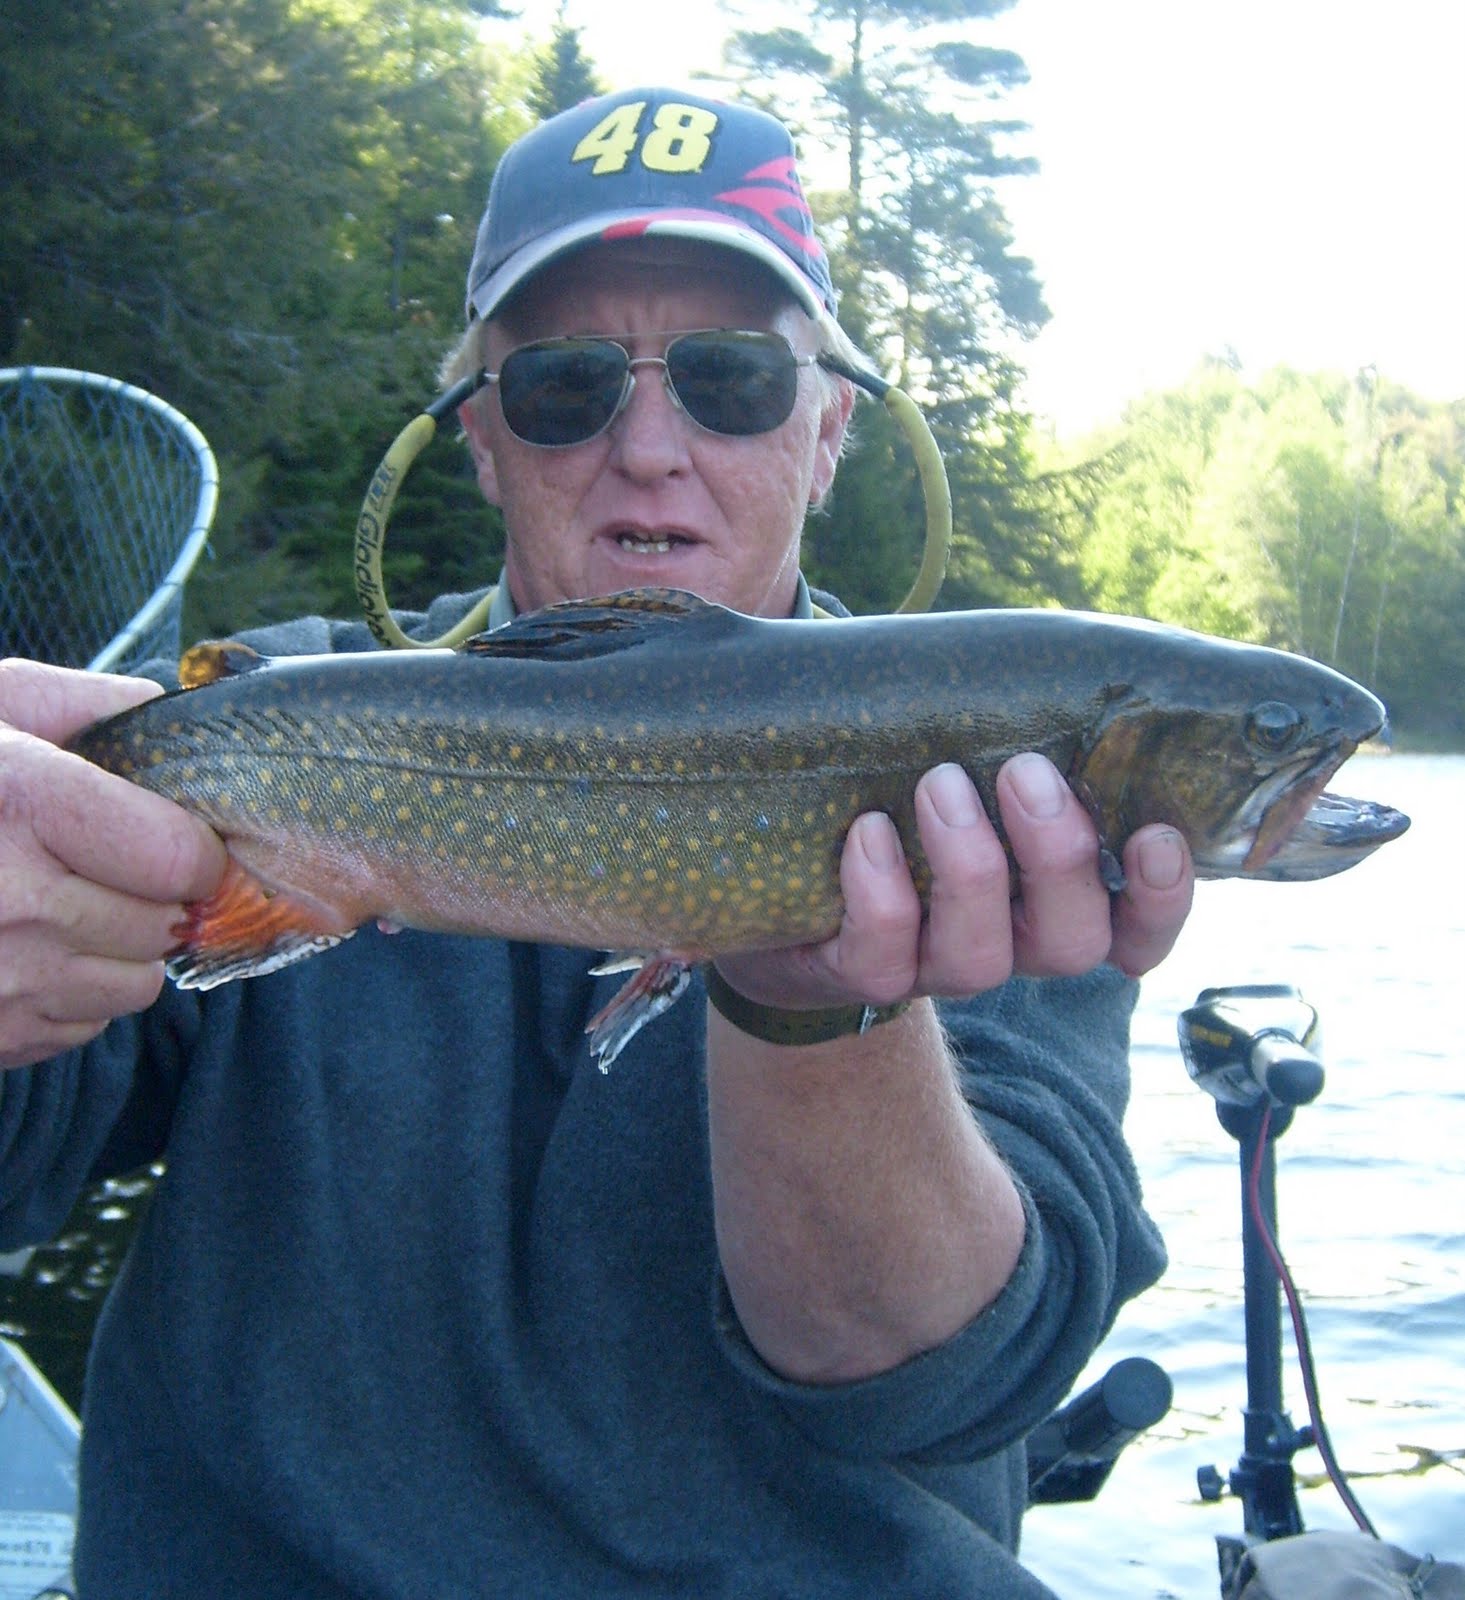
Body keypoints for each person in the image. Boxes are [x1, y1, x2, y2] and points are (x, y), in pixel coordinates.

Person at [0, 87, 1195, 1597]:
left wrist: (811, 992)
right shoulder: (270, 730)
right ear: (482, 439)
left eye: (732, 379)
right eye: (564, 386)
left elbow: (927, 1374)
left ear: (829, 430)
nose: (647, 445)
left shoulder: (983, 770)